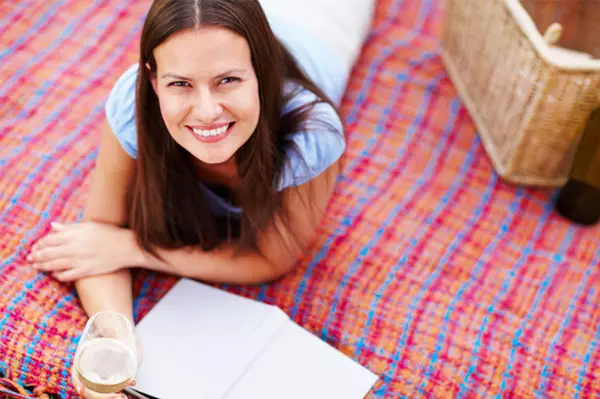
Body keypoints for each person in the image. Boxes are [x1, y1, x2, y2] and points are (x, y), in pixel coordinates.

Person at [28, 0, 375, 397]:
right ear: (154, 81)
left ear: (262, 74)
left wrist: (137, 248)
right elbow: (95, 241)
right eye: (180, 84)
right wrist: (116, 341)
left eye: (228, 81)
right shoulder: (133, 104)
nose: (207, 111)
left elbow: (274, 258)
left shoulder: (310, 133)